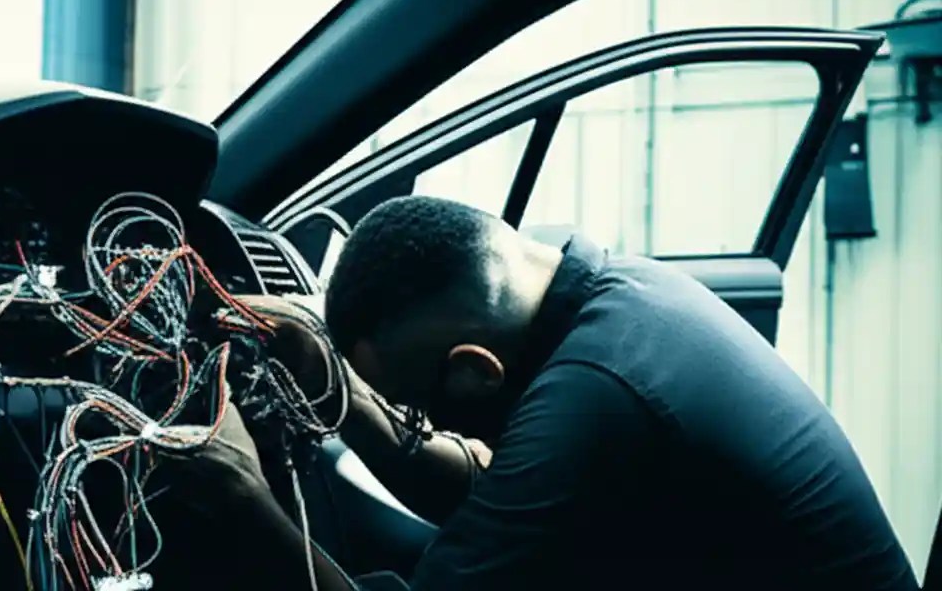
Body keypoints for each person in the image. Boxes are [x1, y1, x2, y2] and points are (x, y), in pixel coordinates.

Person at [188, 195, 919, 591]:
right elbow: (500, 497)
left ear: (476, 372)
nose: (417, 422)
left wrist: (244, 498)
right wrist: (341, 389)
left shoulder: (594, 399)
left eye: (419, 407)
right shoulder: (622, 298)